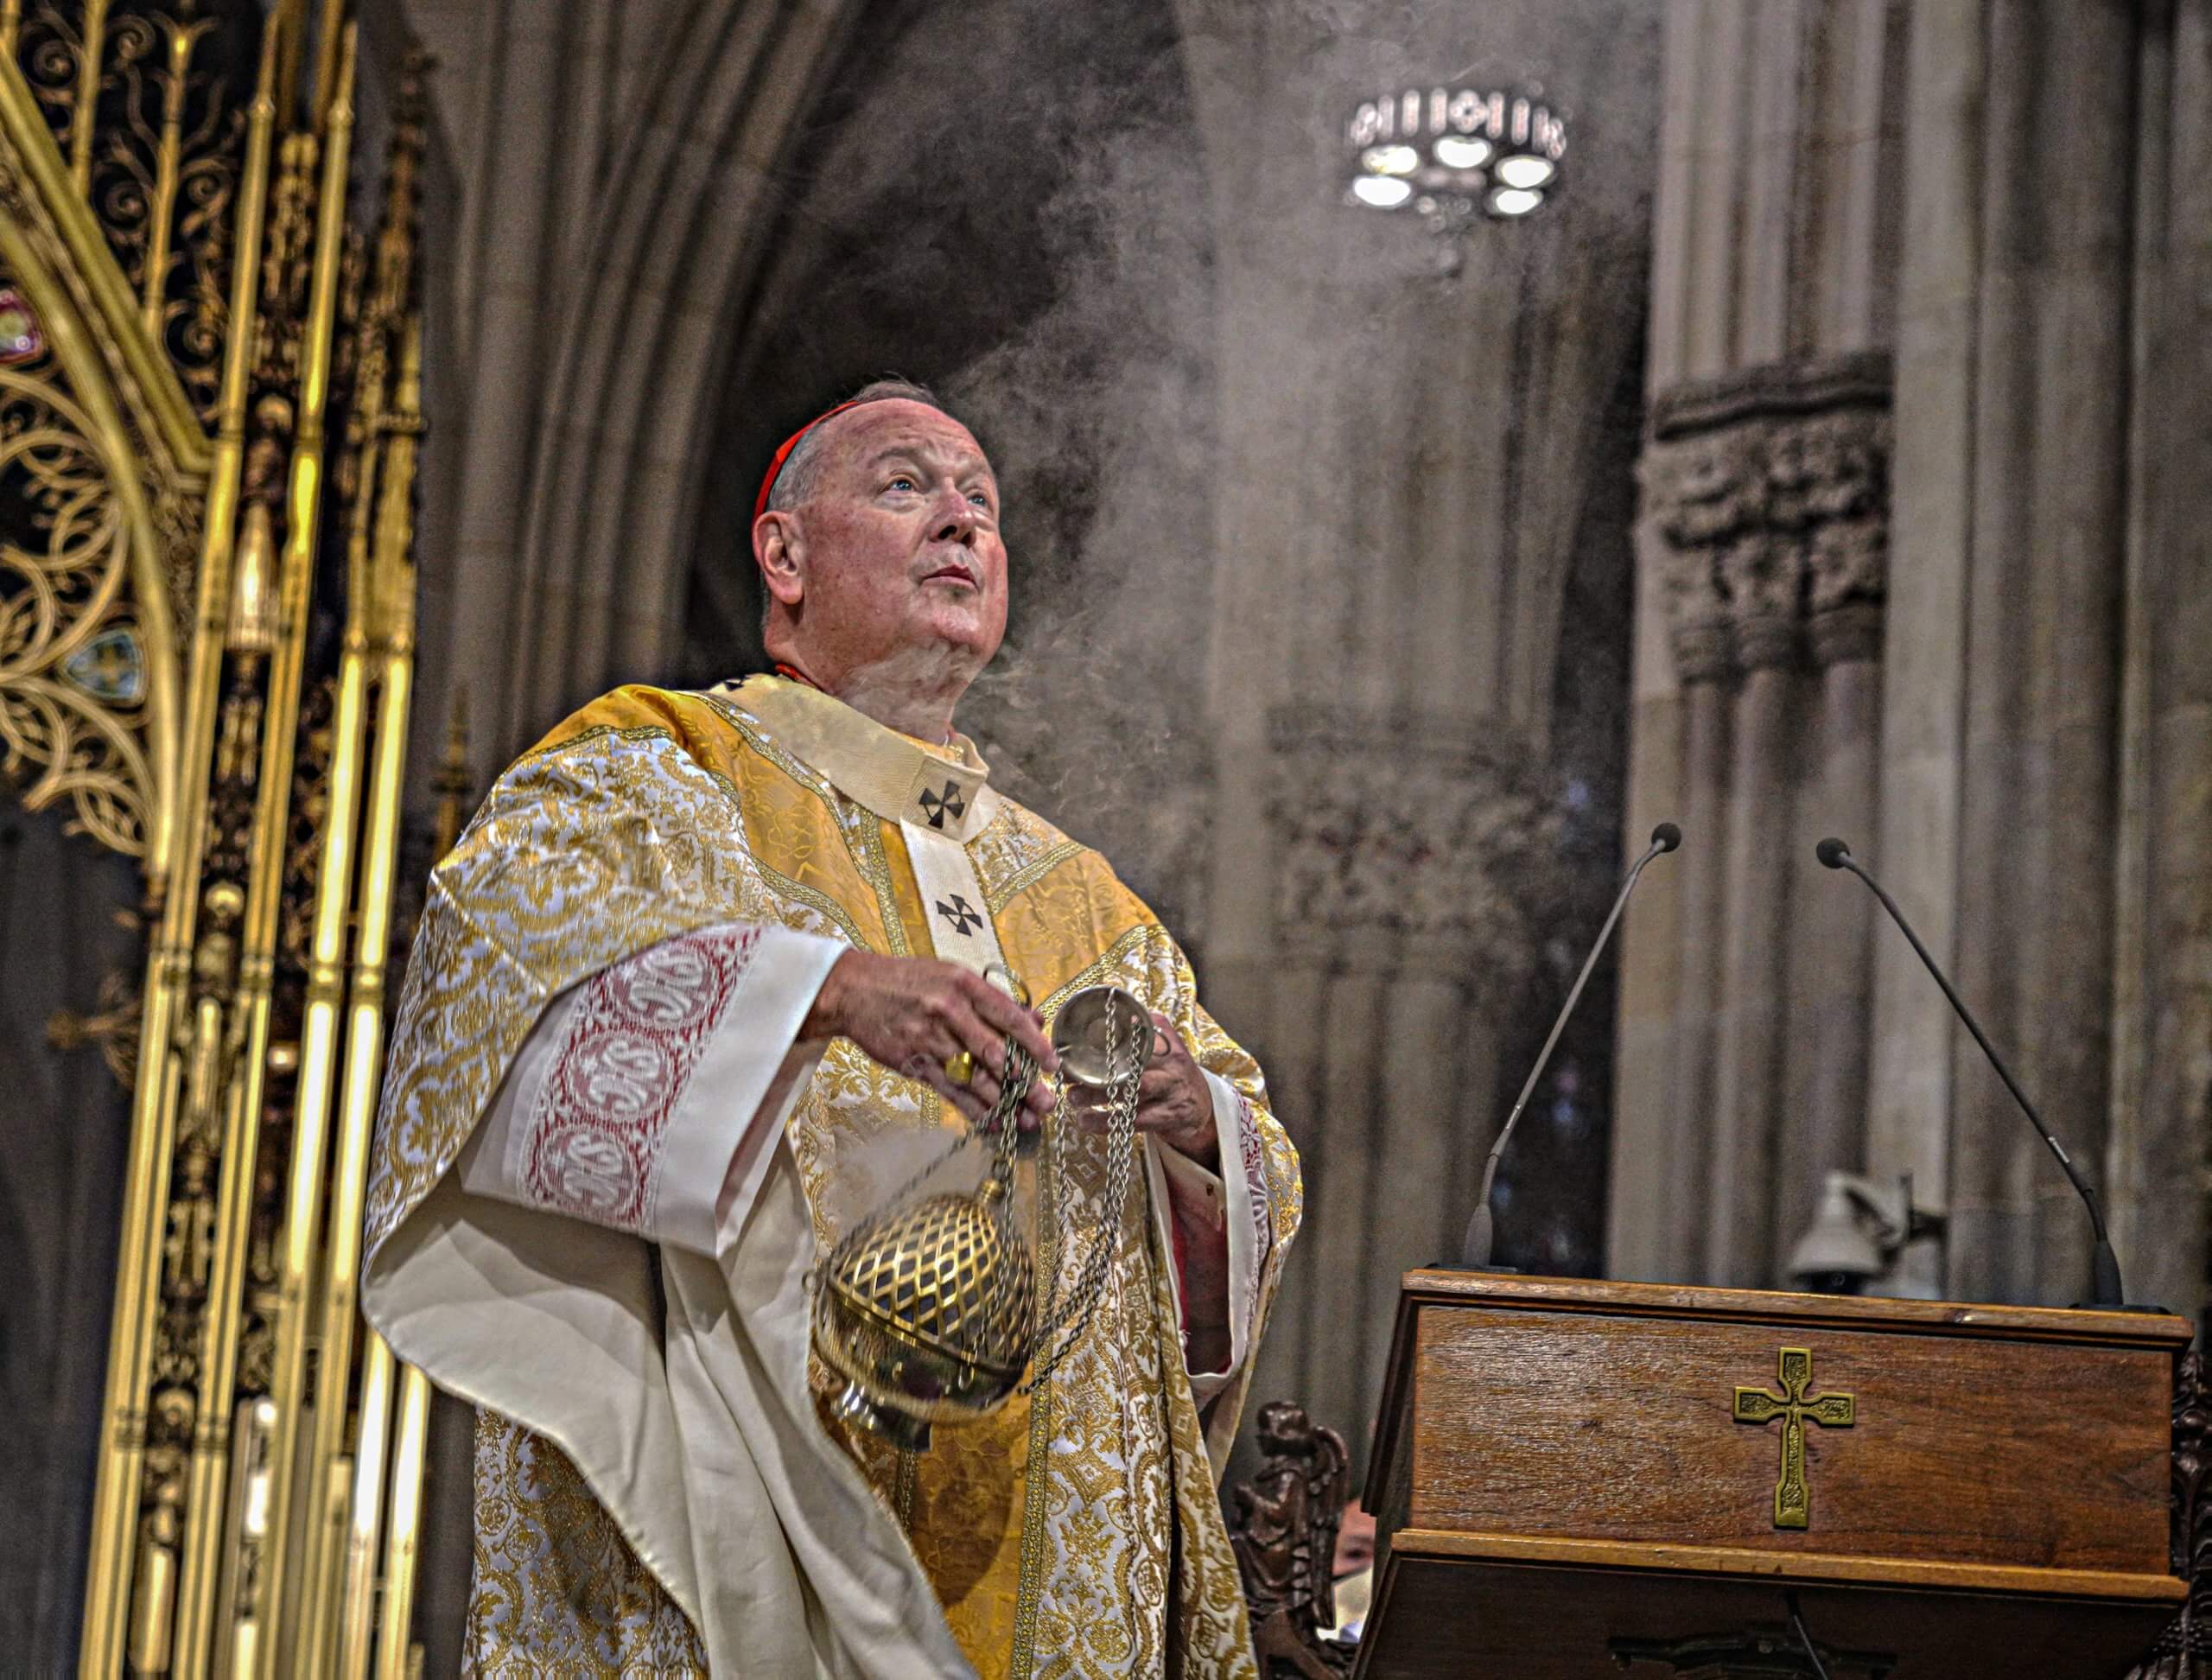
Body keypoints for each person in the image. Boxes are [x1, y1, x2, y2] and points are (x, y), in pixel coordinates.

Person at [362, 379, 1303, 1677]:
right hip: (744, 1528)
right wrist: (823, 991)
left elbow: (1252, 1158)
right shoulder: (663, 766)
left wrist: (1201, 1122)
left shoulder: (1089, 902)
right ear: (785, 553)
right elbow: (504, 963)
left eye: (982, 502)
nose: (962, 525)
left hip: (1041, 1560)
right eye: (907, 486)